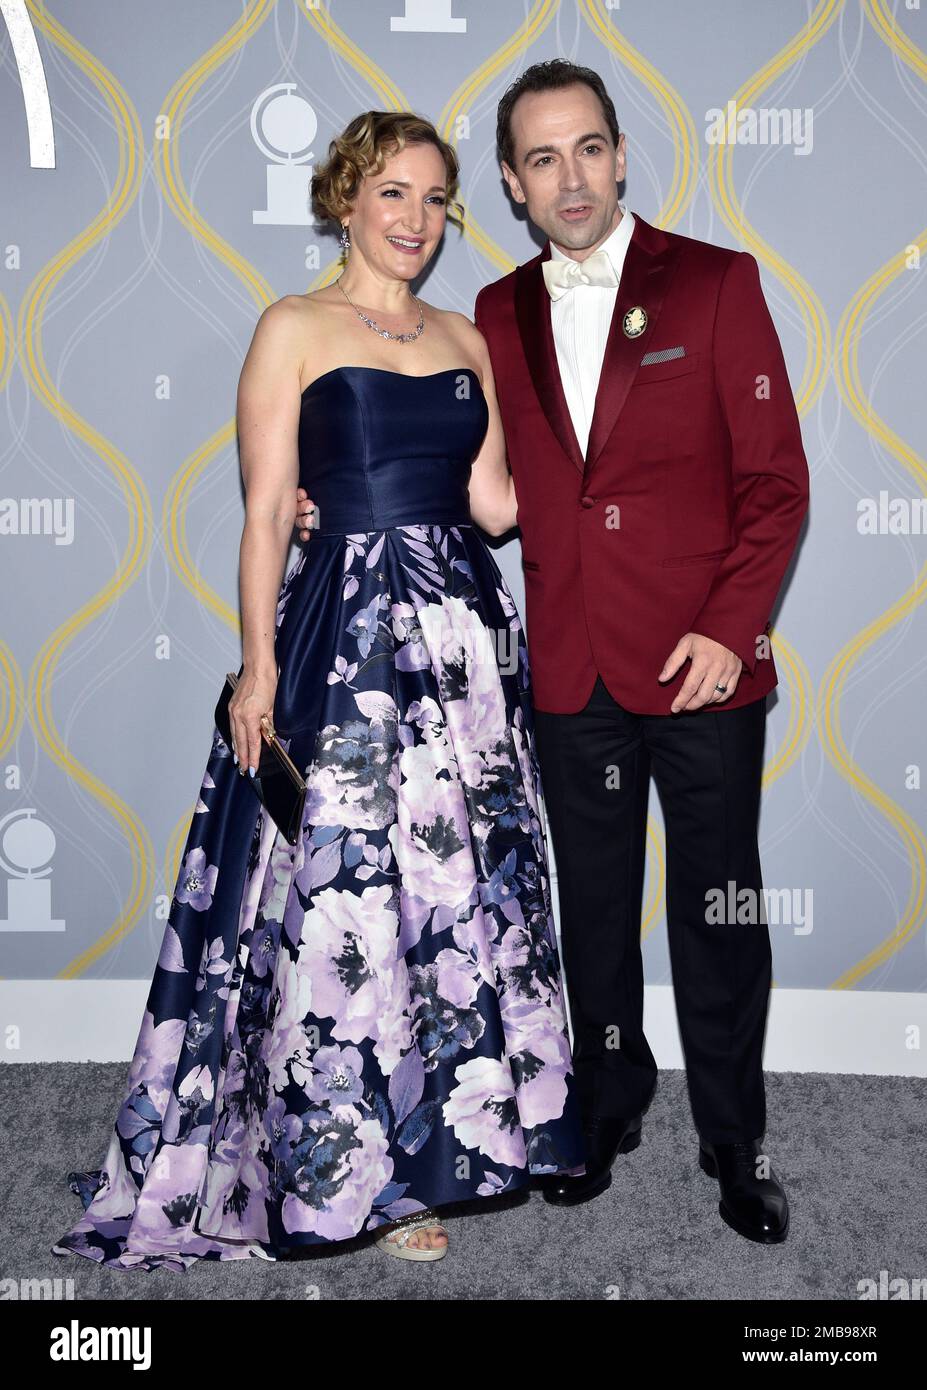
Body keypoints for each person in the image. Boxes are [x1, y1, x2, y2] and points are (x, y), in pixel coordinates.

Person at [51, 109, 586, 1274]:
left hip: (459, 644)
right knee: (346, 901)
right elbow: (263, 512)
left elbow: (498, 503)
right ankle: (361, 1172)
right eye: (392, 193)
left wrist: (622, 470)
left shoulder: (465, 335)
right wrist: (253, 662)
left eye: (436, 199)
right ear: (346, 200)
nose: (415, 219)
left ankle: (480, 1137)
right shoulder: (291, 326)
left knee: (461, 893)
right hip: (342, 640)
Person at [297, 62, 810, 1246]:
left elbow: (777, 484)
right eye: (540, 159)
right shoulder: (493, 315)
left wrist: (729, 631)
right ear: (518, 190)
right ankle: (609, 1108)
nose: (568, 177)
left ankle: (738, 1141)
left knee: (719, 911)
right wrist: (336, 495)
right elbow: (486, 489)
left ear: (621, 156)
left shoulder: (718, 285)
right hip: (569, 670)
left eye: (587, 149)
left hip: (704, 670)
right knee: (591, 919)